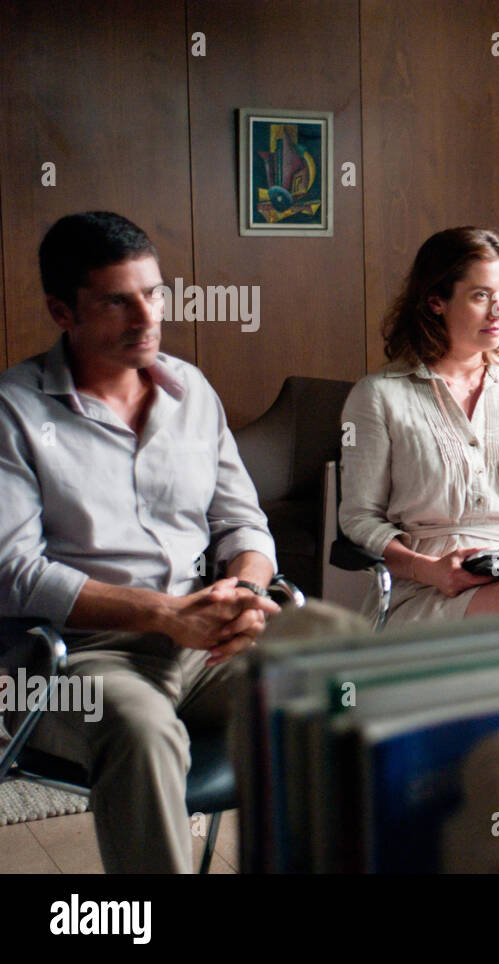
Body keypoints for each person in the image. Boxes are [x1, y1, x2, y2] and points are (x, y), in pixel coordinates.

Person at [0, 212, 279, 873]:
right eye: (117, 301)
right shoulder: (14, 409)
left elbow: (244, 524)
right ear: (62, 311)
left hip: (206, 638)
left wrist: (245, 593)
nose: (146, 316)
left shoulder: (193, 394)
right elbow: (12, 572)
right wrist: (161, 614)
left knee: (329, 688)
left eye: (153, 293)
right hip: (76, 656)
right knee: (141, 729)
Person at [340, 226, 499, 629]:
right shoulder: (378, 395)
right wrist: (431, 570)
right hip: (422, 591)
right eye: (481, 296)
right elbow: (358, 518)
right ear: (436, 301)